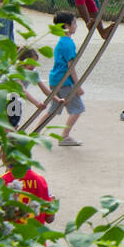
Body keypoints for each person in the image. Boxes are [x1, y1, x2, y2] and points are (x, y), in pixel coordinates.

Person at [48, 11, 85, 147]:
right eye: (74, 23)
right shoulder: (68, 43)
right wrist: (78, 86)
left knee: (52, 110)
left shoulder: (62, 41)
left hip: (55, 79)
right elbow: (71, 67)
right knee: (78, 108)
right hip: (65, 82)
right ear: (67, 26)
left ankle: (34, 133)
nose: (76, 25)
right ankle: (64, 136)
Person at [0, 155, 54, 226]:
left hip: (12, 234)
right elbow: (49, 219)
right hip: (35, 234)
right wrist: (52, 202)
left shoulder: (1, 181)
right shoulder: (40, 180)